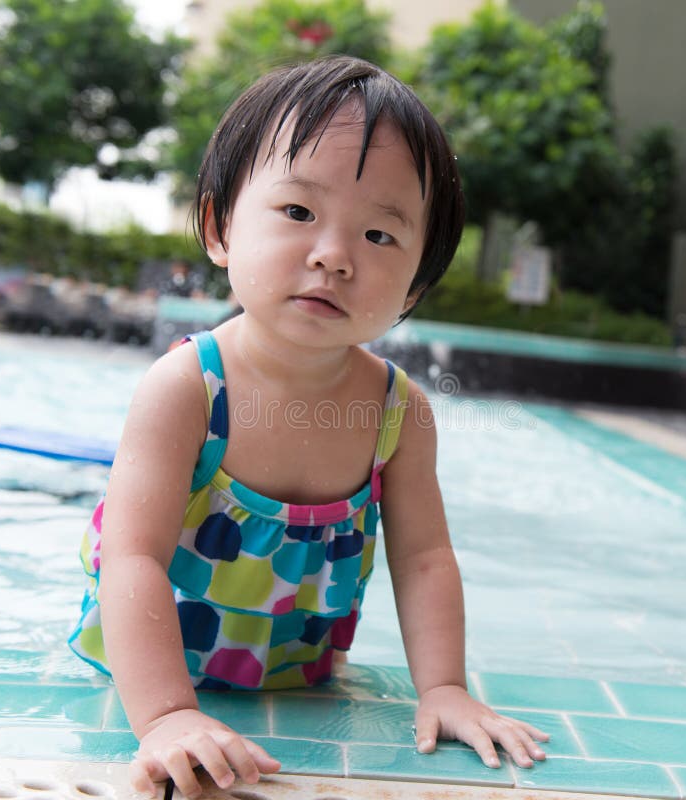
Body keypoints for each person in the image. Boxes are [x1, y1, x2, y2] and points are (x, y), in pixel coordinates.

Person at [69, 55, 548, 799]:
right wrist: (165, 716)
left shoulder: (398, 414)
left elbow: (424, 560)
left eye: (380, 237)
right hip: (148, 672)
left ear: (416, 286)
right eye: (298, 213)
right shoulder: (188, 389)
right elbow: (132, 558)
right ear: (219, 227)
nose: (334, 256)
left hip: (295, 682)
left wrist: (445, 687)